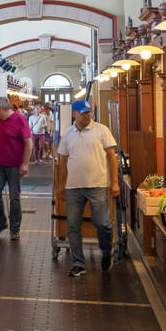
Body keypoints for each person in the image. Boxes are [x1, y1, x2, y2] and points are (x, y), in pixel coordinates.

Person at [57, 98, 119, 277]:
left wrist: (114, 182)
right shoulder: (68, 134)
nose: (86, 116)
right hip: (74, 187)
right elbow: (62, 160)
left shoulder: (101, 130)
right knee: (73, 226)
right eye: (83, 113)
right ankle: (78, 263)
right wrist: (61, 185)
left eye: (88, 112)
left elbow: (112, 157)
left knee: (103, 224)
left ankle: (106, 251)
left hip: (97, 185)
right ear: (74, 114)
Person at [0, 96, 33, 240]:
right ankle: (1, 222)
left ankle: (15, 228)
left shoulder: (20, 119)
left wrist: (25, 163)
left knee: (14, 197)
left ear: (0, 108)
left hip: (15, 165)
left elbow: (28, 143)